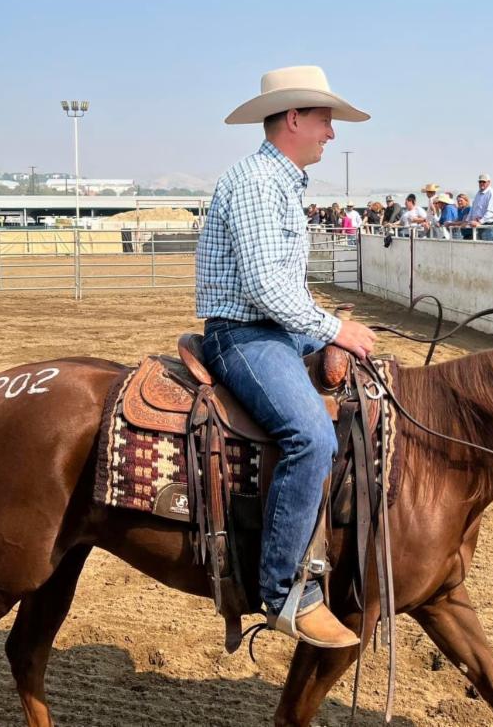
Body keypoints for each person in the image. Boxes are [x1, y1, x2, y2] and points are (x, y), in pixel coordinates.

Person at [195, 65, 376, 648]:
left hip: (275, 328)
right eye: (325, 120)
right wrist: (332, 329)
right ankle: (284, 592)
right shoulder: (256, 183)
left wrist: (330, 327)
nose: (332, 133)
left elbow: (283, 289)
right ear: (294, 118)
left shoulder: (284, 182)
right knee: (311, 437)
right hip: (244, 335)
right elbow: (265, 287)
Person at [468, 173, 493, 241]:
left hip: (489, 225)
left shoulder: (492, 193)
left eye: (483, 182)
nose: (481, 183)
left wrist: (479, 222)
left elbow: (490, 212)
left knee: (488, 247)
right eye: (480, 182)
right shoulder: (478, 193)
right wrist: (469, 220)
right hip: (480, 224)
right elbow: (473, 208)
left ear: (489, 182)